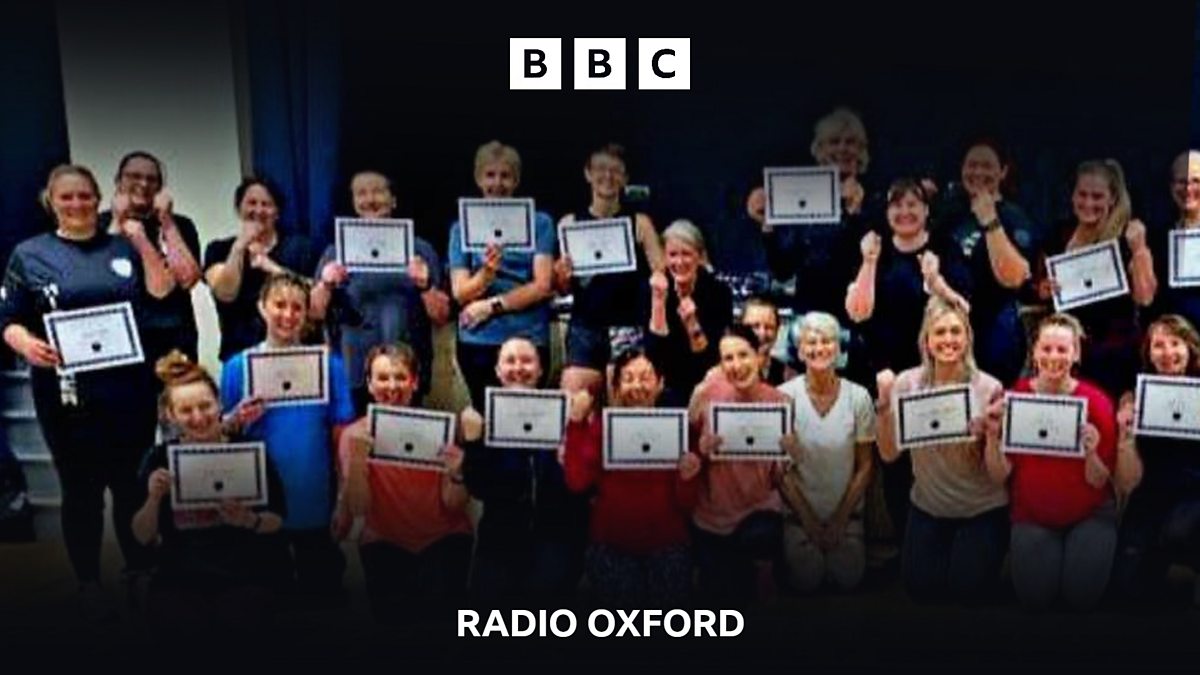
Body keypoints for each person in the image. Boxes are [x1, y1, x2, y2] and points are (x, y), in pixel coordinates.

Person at [0, 164, 173, 615]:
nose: (77, 205)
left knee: (131, 485)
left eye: (84, 196)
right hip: (66, 395)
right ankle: (88, 581)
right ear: (50, 202)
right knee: (81, 492)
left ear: (99, 198)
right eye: (66, 197)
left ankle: (138, 569)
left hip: (129, 391)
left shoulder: (123, 248)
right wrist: (25, 343)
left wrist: (137, 235)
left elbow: (161, 289)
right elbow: (9, 321)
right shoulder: (28, 254)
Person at [845, 177, 973, 540]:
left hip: (937, 365)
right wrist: (869, 261)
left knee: (940, 450)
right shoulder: (875, 249)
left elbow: (964, 309)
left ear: (926, 210)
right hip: (887, 369)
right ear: (887, 212)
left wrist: (936, 281)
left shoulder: (944, 248)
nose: (905, 212)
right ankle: (908, 541)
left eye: (912, 204)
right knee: (896, 460)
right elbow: (858, 312)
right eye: (896, 205)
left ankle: (948, 534)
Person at [219, 273, 355, 605]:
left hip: (314, 493)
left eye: (297, 307)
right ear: (262, 307)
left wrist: (344, 500)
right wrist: (235, 419)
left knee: (323, 594)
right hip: (260, 498)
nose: (288, 315)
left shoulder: (329, 365)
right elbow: (220, 434)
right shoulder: (238, 367)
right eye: (279, 305)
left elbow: (342, 434)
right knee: (266, 599)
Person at [132, 351, 285, 642]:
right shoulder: (159, 458)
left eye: (205, 406)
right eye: (186, 411)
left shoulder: (249, 451)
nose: (199, 417)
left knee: (241, 624)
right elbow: (141, 536)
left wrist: (250, 520)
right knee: (183, 630)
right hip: (179, 574)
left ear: (220, 404)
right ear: (170, 415)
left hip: (245, 570)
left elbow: (277, 519)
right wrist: (153, 499)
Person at [983, 313, 1126, 611]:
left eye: (1063, 350)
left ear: (1076, 354)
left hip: (1090, 515)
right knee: (1035, 599)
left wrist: (1091, 451)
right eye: (1046, 349)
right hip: (1032, 515)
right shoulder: (1015, 398)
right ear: (1034, 352)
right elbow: (999, 476)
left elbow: (1100, 482)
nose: (1054, 357)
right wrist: (992, 438)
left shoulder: (1097, 403)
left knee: (1080, 598)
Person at [875, 298, 1009, 605]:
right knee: (921, 589)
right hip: (929, 507)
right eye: (939, 333)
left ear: (967, 338)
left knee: (966, 592)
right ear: (926, 340)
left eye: (955, 332)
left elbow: (998, 473)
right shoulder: (906, 384)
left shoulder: (988, 387)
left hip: (981, 508)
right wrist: (883, 406)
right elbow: (888, 454)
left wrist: (989, 436)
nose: (948, 340)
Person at [331, 343, 472, 623]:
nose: (392, 386)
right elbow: (358, 509)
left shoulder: (441, 429)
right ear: (369, 384)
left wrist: (457, 472)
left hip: (443, 537)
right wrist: (359, 461)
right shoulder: (353, 435)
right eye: (382, 378)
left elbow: (453, 505)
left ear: (415, 381)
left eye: (400, 377)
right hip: (385, 541)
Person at [561, 347, 700, 606]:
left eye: (646, 377)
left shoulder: (679, 430)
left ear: (660, 383)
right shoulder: (600, 428)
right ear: (616, 387)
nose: (637, 385)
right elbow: (577, 482)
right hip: (611, 544)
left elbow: (688, 504)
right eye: (628, 378)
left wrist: (687, 477)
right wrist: (577, 424)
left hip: (668, 543)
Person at [460, 335, 589, 602]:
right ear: (497, 371)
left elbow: (581, 489)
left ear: (541, 369)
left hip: (555, 534)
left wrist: (574, 445)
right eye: (510, 361)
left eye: (527, 361)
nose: (518, 368)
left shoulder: (566, 415)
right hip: (500, 535)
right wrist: (473, 445)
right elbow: (478, 487)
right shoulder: (481, 418)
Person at [311, 171, 452, 411]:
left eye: (377, 191)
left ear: (393, 200)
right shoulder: (335, 252)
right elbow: (314, 313)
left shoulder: (420, 249)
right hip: (352, 374)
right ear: (354, 202)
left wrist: (426, 286)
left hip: (406, 376)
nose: (370, 199)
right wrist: (325, 284)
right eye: (361, 193)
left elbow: (440, 316)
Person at [1032, 159, 1156, 399]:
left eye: (1097, 197)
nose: (1088, 203)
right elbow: (1037, 290)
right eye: (1083, 194)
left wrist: (1140, 249)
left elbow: (1145, 297)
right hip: (1065, 356)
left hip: (1114, 357)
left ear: (1112, 199)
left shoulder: (1126, 238)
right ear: (1072, 196)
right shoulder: (1057, 235)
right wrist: (1044, 290)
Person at [690, 325, 797, 603]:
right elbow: (685, 456)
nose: (736, 365)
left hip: (757, 510)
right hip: (711, 514)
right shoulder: (705, 396)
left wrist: (789, 455)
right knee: (720, 596)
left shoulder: (780, 402)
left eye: (743, 355)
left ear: (759, 357)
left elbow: (778, 477)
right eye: (728, 358)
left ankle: (765, 571)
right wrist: (700, 451)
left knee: (761, 546)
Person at [448, 141, 556, 410]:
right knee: (485, 422)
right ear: (478, 178)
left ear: (516, 180)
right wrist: (485, 274)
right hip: (478, 339)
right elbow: (460, 292)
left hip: (529, 337)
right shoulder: (461, 228)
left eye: (505, 176)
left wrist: (491, 306)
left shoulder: (540, 222)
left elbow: (542, 285)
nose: (498, 183)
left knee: (526, 421)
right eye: (490, 175)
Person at [554, 144, 664, 399]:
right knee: (574, 397)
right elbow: (561, 288)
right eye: (601, 169)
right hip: (585, 326)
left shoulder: (640, 223)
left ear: (625, 178)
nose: (608, 177)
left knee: (626, 399)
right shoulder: (569, 223)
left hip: (628, 323)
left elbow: (662, 274)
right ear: (588, 174)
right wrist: (561, 276)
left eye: (616, 171)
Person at [776, 312, 874, 593]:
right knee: (807, 580)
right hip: (798, 517)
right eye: (811, 342)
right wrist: (809, 523)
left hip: (847, 518)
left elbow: (865, 467)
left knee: (847, 578)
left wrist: (840, 521)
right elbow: (781, 473)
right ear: (799, 349)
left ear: (839, 346)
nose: (819, 348)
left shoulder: (859, 397)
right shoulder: (783, 397)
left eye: (827, 341)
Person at [1110, 315, 1200, 607]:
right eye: (1158, 345)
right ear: (1148, 352)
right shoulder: (1136, 397)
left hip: (1194, 493)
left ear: (1191, 349)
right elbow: (1127, 479)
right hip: (1151, 492)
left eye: (1176, 343)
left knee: (1177, 533)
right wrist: (1125, 436)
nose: (1168, 352)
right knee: (1126, 590)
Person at [936, 138, 1039, 385]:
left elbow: (1013, 278)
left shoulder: (1014, 217)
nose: (978, 172)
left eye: (987, 166)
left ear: (1003, 171)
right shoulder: (948, 211)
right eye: (972, 165)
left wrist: (990, 220)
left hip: (996, 330)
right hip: (950, 326)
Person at [99, 151, 204, 362]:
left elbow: (188, 279)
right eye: (134, 176)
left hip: (174, 334)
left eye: (151, 179)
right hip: (121, 336)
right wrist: (117, 221)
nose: (143, 184)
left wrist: (166, 220)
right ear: (118, 181)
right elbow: (98, 276)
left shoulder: (181, 225)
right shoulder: (99, 224)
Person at [204, 177, 318, 361]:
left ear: (277, 212)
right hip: (239, 354)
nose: (258, 210)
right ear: (239, 208)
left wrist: (271, 267)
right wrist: (239, 248)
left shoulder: (301, 248)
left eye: (266, 204)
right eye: (251, 203)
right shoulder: (218, 249)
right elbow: (225, 293)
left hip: (295, 352)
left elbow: (315, 299)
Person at [643, 220, 734, 407]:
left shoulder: (718, 292)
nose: (679, 262)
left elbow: (710, 362)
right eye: (673, 255)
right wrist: (658, 304)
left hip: (704, 379)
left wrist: (692, 324)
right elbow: (654, 357)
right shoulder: (652, 289)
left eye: (686, 254)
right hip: (666, 383)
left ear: (699, 257)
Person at [1148, 150, 1200, 330]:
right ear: (1171, 187)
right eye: (1182, 182)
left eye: (1196, 181)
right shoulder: (1158, 238)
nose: (1188, 189)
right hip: (1174, 344)